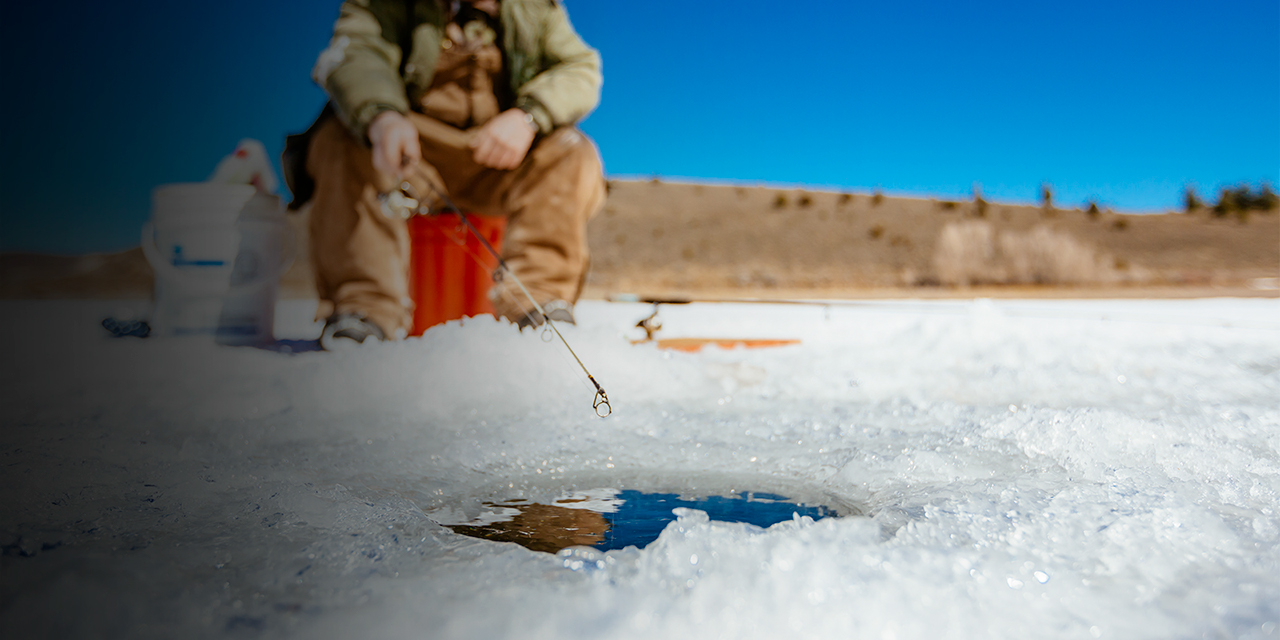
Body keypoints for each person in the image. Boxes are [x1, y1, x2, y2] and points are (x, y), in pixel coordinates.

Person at [284, 0, 606, 349]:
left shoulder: (538, 9)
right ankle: (363, 314)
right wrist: (382, 117)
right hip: (409, 162)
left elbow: (580, 68)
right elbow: (355, 53)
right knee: (340, 136)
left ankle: (538, 311)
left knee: (572, 150)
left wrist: (528, 117)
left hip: (499, 162)